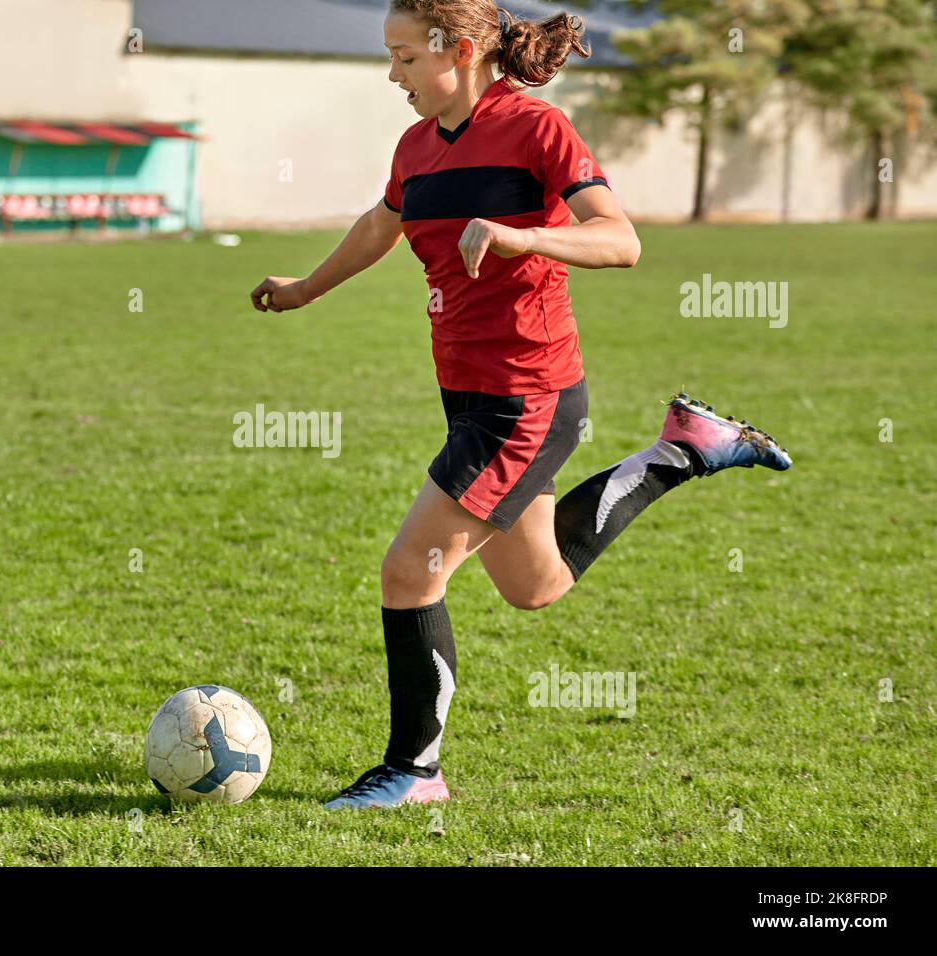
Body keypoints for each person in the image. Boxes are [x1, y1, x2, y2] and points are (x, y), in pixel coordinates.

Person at [248, 0, 792, 809]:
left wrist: (525, 236)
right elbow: (381, 223)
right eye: (390, 56)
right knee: (535, 584)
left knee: (411, 570)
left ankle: (414, 772)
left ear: (461, 52)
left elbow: (621, 240)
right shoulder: (416, 146)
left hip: (526, 397)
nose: (392, 74)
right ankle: (684, 450)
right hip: (466, 394)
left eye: (405, 57)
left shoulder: (538, 129)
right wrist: (306, 288)